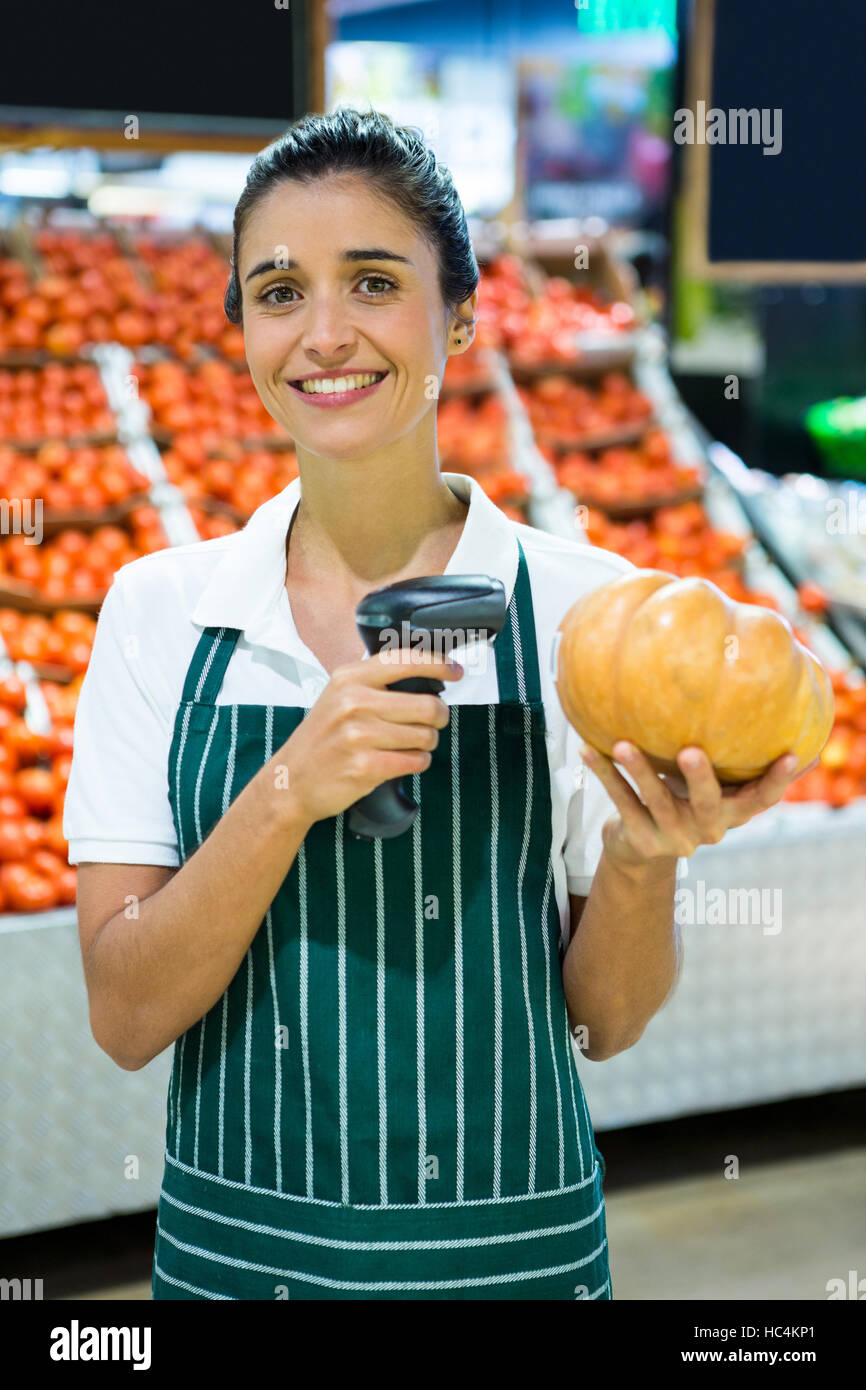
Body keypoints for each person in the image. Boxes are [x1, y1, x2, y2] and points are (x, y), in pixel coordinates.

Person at [66, 108, 808, 1300]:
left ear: (458, 313)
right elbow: (123, 1012)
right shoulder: (161, 609)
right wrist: (288, 793)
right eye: (276, 291)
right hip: (244, 1263)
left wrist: (642, 856)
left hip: (512, 1261)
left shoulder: (589, 616)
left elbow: (602, 1024)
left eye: (371, 281)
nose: (323, 335)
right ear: (241, 329)